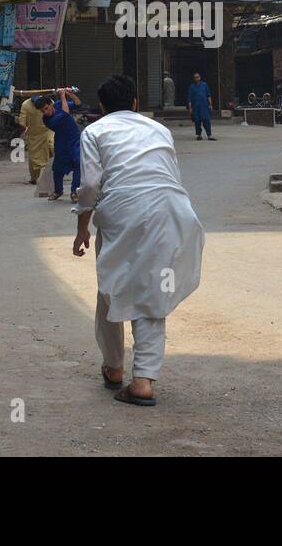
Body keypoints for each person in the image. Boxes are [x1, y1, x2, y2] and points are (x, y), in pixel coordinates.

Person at [73, 75, 205, 407]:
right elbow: (170, 172)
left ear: (101, 107)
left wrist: (82, 228)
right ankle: (140, 377)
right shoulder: (159, 129)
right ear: (135, 103)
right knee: (151, 292)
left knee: (111, 288)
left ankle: (117, 369)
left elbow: (89, 185)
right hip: (172, 209)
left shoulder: (95, 131)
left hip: (123, 211)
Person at [41, 88, 82, 202]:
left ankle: (75, 191)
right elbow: (65, 114)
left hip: (75, 140)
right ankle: (58, 190)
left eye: (46, 109)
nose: (45, 112)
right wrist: (63, 96)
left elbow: (78, 104)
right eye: (42, 111)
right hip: (61, 143)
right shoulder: (47, 120)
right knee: (58, 169)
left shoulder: (59, 104)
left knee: (78, 163)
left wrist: (70, 93)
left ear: (51, 104)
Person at [17, 94, 54, 185]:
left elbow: (54, 112)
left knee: (52, 146)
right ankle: (33, 178)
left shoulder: (49, 101)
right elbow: (22, 121)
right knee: (34, 158)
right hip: (34, 134)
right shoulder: (26, 105)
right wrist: (24, 127)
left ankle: (55, 172)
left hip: (48, 130)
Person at [187, 72, 215, 141]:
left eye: (198, 77)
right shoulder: (192, 86)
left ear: (200, 77)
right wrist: (190, 108)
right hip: (196, 107)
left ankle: (209, 135)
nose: (197, 79)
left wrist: (210, 104)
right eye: (195, 77)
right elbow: (189, 98)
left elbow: (208, 95)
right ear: (194, 79)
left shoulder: (204, 85)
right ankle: (199, 135)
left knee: (207, 120)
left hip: (204, 106)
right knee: (197, 121)